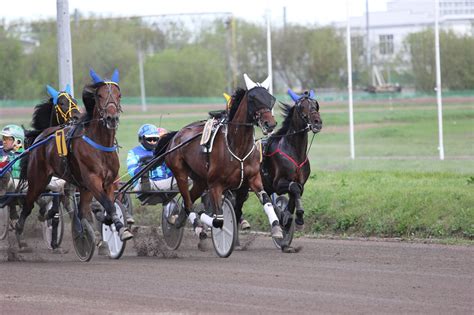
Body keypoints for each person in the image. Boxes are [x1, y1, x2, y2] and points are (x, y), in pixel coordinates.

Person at [127, 124, 175, 191]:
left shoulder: (159, 152)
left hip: (162, 183)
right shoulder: (133, 152)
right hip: (145, 184)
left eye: (155, 139)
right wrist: (144, 170)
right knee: (146, 182)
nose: (152, 142)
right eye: (149, 139)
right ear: (141, 139)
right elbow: (132, 170)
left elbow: (168, 170)